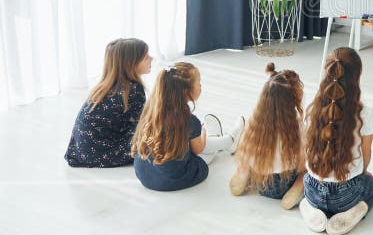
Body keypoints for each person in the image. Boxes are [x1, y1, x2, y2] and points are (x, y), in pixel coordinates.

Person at [299, 47, 373, 235]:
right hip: (347, 195)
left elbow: (307, 147)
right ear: (357, 77)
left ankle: (308, 207)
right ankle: (353, 212)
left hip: (312, 188)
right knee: (371, 187)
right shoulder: (366, 113)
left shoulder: (312, 107)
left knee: (306, 179)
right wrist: (363, 172)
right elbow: (366, 154)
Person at [131, 63, 244, 191]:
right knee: (201, 154)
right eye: (198, 82)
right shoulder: (189, 121)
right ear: (186, 91)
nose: (200, 85)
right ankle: (228, 140)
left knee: (187, 142)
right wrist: (203, 134)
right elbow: (198, 150)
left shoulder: (150, 112)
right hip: (173, 179)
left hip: (146, 174)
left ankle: (223, 140)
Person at [65, 38, 152, 168]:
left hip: (80, 151)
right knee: (157, 134)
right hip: (103, 152)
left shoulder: (105, 86)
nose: (151, 59)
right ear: (131, 64)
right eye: (146, 57)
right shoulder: (134, 90)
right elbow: (142, 128)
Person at [229, 63, 305, 210]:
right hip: (285, 182)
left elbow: (247, 149)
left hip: (261, 182)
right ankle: (298, 187)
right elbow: (301, 159)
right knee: (308, 170)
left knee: (248, 152)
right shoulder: (297, 126)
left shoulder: (254, 122)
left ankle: (243, 172)